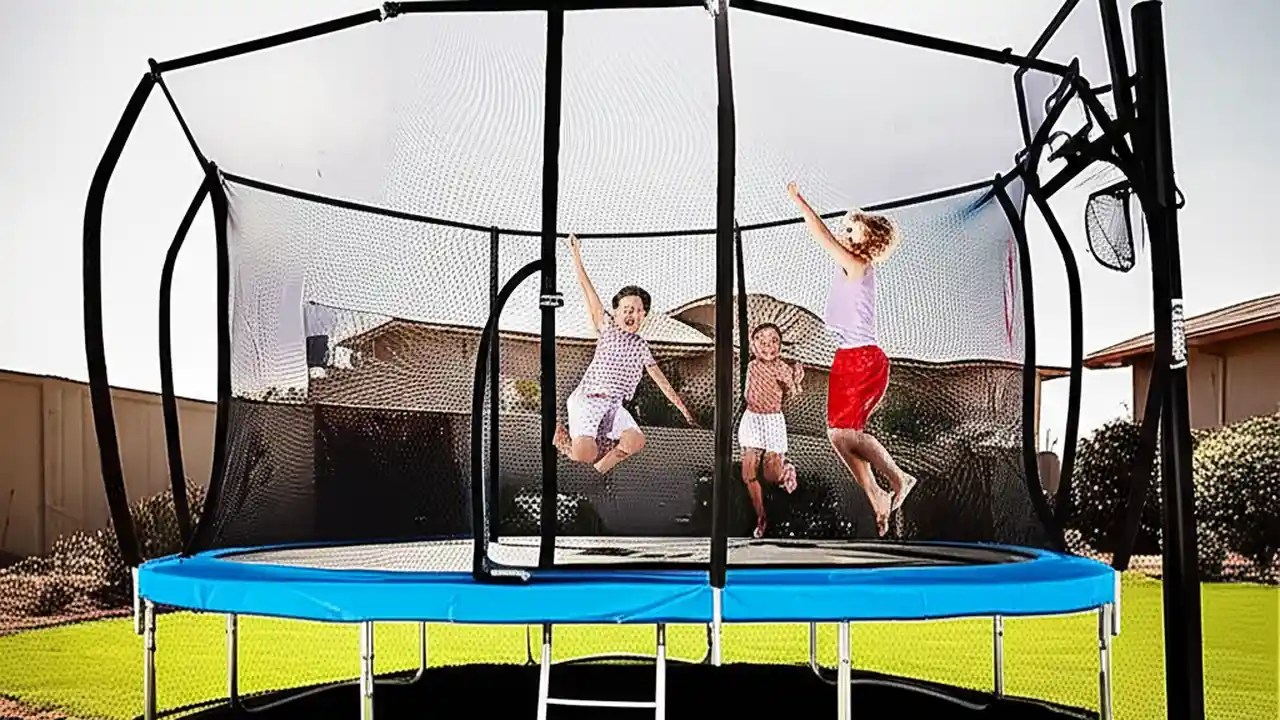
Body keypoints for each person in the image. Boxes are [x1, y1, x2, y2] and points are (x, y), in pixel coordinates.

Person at [786, 181, 918, 536]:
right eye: (844, 227)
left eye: (850, 229)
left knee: (843, 434)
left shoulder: (858, 263)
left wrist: (800, 201)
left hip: (861, 359)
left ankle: (898, 478)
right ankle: (876, 494)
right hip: (850, 359)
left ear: (867, 239)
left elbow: (822, 236)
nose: (843, 232)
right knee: (840, 435)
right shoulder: (854, 267)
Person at [554, 234, 696, 475]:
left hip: (613, 405)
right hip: (588, 400)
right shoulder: (607, 328)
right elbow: (588, 292)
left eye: (639, 311)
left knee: (636, 440)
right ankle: (567, 444)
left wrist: (683, 409)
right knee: (583, 454)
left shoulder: (641, 347)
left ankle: (600, 469)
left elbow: (661, 380)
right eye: (627, 309)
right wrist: (576, 255)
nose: (632, 314)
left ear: (644, 316)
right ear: (616, 312)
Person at [738, 322, 804, 539]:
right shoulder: (750, 365)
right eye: (762, 341)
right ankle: (761, 516)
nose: (768, 346)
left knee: (771, 475)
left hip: (773, 422)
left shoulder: (781, 367)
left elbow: (794, 392)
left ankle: (786, 470)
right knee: (748, 472)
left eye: (774, 341)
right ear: (753, 344)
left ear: (780, 345)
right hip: (752, 419)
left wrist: (796, 380)